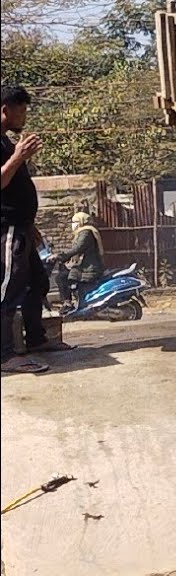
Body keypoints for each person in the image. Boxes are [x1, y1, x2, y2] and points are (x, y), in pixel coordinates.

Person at [2, 85, 72, 374]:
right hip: (6, 229)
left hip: (22, 227)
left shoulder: (5, 141)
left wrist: (30, 225)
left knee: (38, 283)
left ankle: (36, 340)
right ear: (4, 109)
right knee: (7, 290)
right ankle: (5, 355)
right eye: (21, 110)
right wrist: (18, 156)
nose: (24, 116)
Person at [52, 211, 104, 309]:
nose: (73, 225)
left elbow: (78, 248)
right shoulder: (87, 231)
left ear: (81, 221)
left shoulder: (86, 232)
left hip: (88, 268)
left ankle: (67, 303)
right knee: (64, 275)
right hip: (86, 265)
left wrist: (60, 256)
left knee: (61, 277)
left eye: (74, 222)